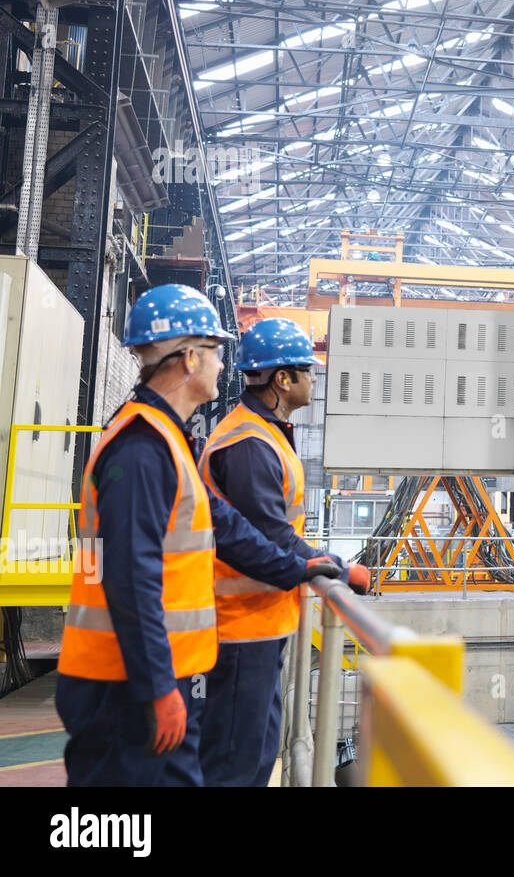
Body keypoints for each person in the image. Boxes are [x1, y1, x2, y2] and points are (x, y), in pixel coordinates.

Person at [56, 285, 341, 787]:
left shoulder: (168, 440)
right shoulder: (141, 450)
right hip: (123, 683)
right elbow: (131, 578)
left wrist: (298, 568)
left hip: (156, 673)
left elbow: (224, 524)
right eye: (215, 351)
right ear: (189, 358)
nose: (223, 365)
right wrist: (157, 688)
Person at [198, 318, 369, 787]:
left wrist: (323, 562)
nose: (315, 379)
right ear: (282, 379)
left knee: (255, 755)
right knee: (237, 764)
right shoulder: (249, 443)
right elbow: (271, 535)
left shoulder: (263, 433)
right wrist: (335, 566)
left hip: (260, 621)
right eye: (308, 371)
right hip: (240, 627)